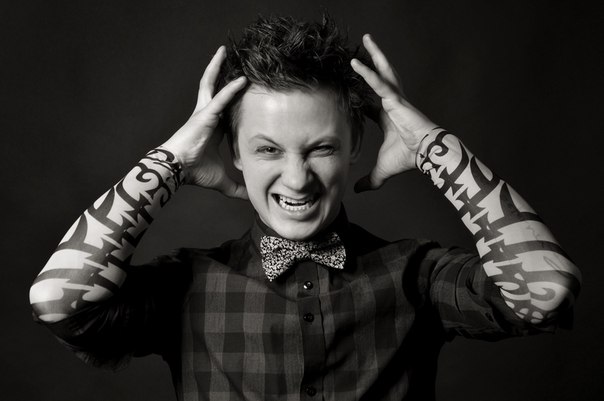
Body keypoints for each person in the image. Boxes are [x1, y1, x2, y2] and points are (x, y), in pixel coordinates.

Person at [29, 15, 581, 401]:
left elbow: (545, 291)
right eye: (268, 149)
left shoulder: (416, 274)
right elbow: (57, 301)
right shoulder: (188, 286)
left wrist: (434, 148)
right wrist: (170, 160)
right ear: (233, 153)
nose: (297, 178)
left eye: (321, 148)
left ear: (355, 145)